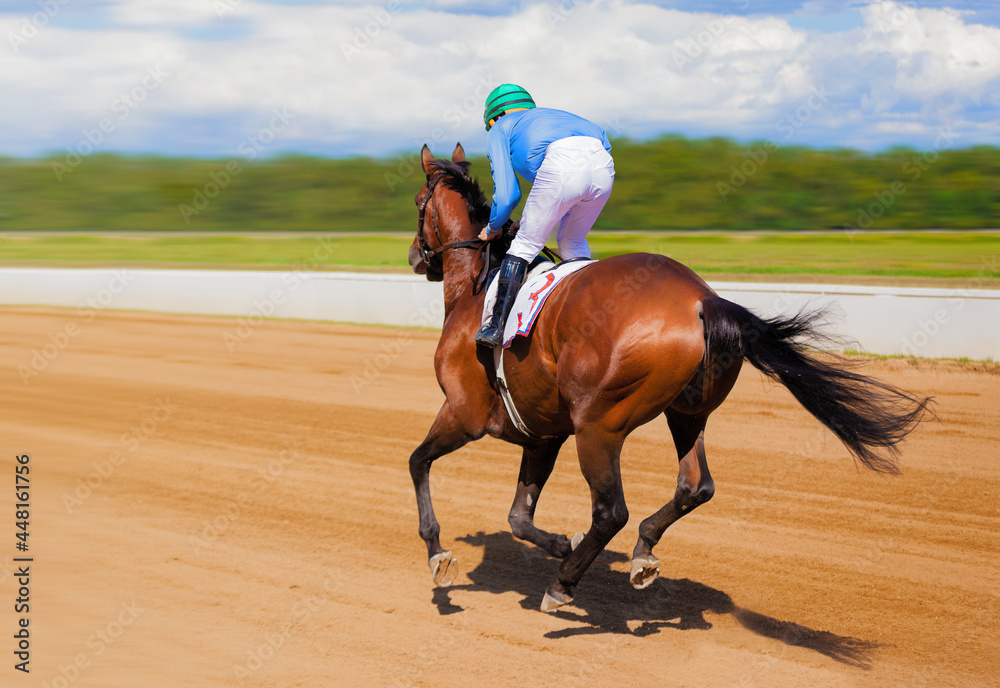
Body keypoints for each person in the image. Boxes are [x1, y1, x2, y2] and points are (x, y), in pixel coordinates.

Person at [474, 84, 615, 348]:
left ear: (495, 116)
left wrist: (493, 227)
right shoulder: (560, 117)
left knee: (525, 244)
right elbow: (583, 172)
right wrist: (531, 220)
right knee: (572, 242)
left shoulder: (500, 128)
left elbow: (507, 195)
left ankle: (495, 327)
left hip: (562, 167)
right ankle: (592, 313)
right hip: (604, 169)